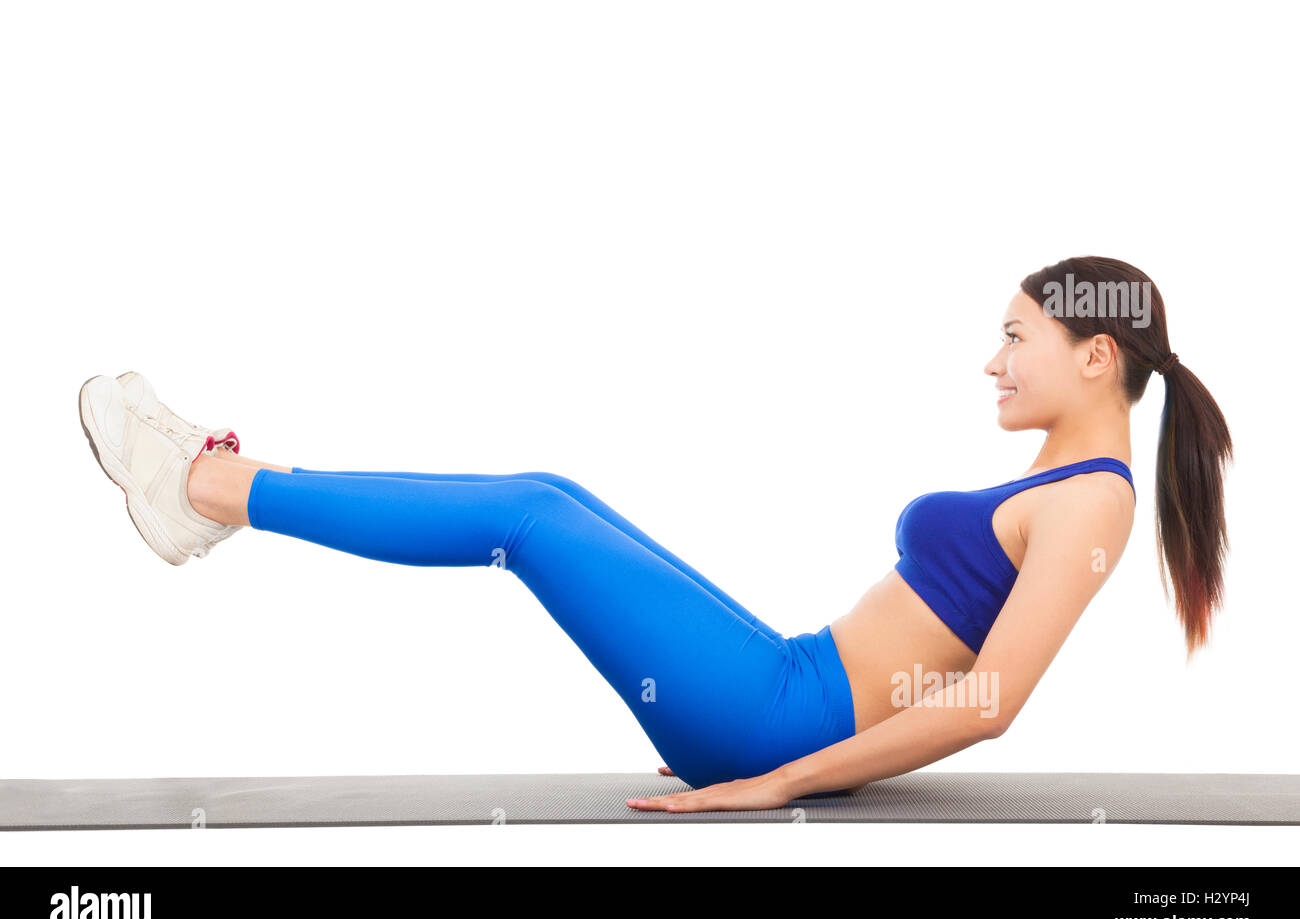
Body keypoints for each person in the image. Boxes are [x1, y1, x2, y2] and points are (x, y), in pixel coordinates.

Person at [77, 256, 1232, 813]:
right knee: (546, 488)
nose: (993, 357)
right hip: (787, 673)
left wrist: (776, 782)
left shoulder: (1092, 498)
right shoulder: (1071, 474)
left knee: (523, 518)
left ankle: (206, 488)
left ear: (1097, 356)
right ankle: (217, 483)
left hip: (771, 719)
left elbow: (989, 701)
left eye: (1017, 334)